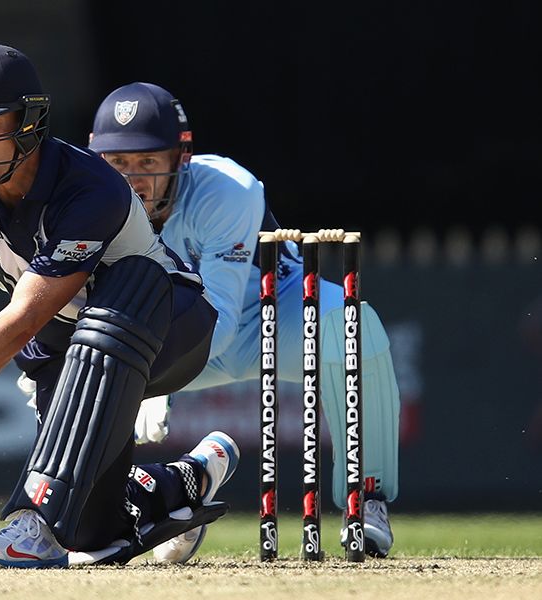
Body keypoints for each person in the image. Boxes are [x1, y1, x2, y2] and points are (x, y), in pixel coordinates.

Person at [0, 43, 240, 568]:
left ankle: (32, 524)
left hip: (169, 321)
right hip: (74, 345)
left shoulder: (88, 187)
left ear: (30, 122)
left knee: (106, 312)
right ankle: (186, 479)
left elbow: (24, 318)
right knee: (89, 532)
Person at [88, 82, 401, 561]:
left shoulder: (228, 190)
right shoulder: (87, 201)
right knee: (78, 370)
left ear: (181, 156)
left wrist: (155, 379)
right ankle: (164, 501)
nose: (132, 178)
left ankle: (367, 500)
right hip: (162, 339)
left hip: (271, 316)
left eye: (148, 162)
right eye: (118, 163)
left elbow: (220, 317)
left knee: (358, 329)